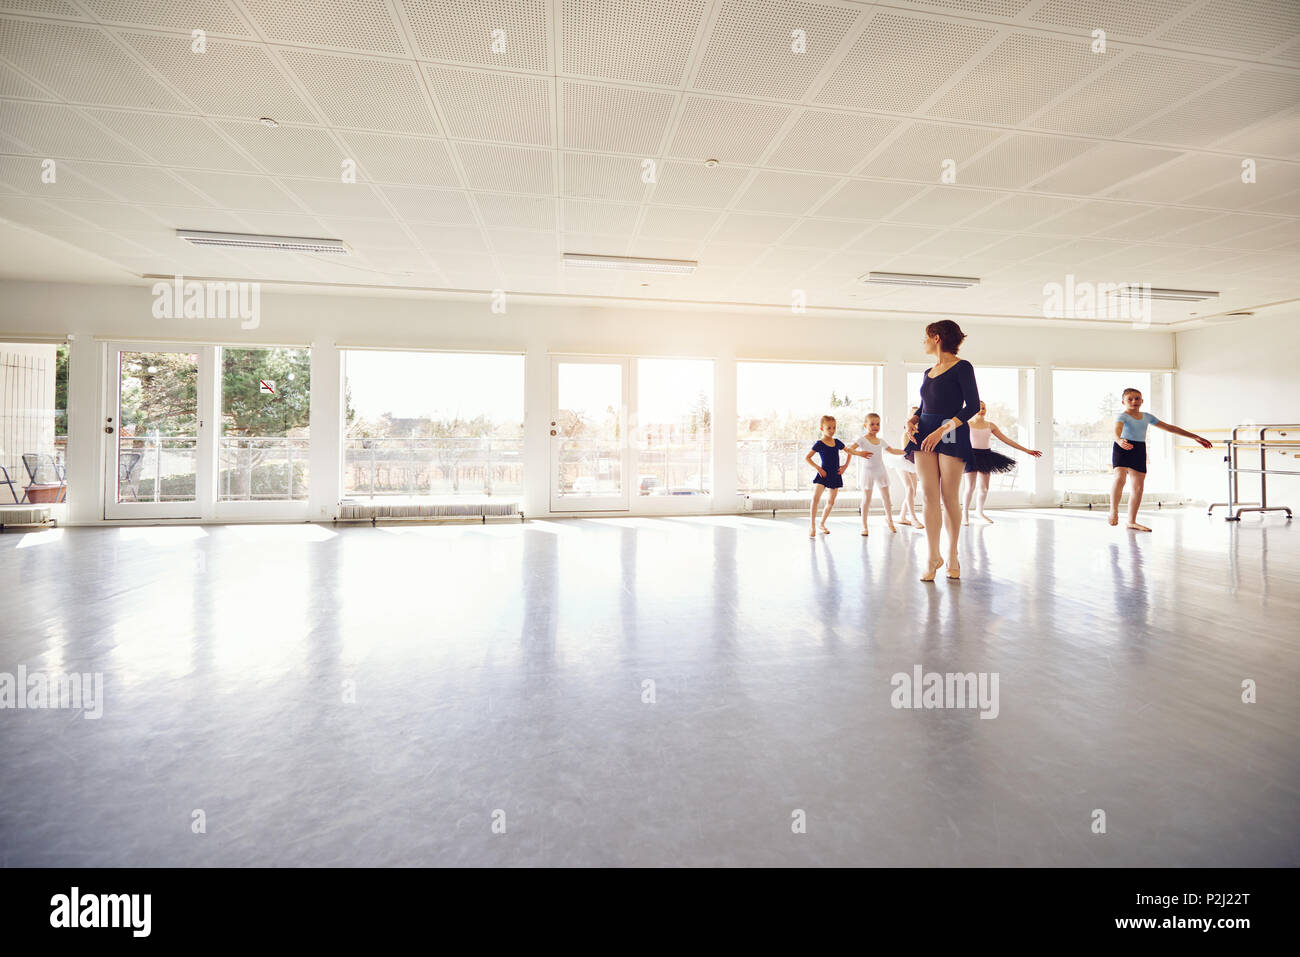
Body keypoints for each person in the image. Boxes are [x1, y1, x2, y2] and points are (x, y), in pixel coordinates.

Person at [903, 320, 979, 581]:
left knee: (949, 498)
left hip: (951, 431)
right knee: (928, 496)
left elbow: (971, 407)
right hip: (925, 430)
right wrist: (912, 419)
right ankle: (932, 557)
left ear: (936, 338)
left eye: (925, 337)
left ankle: (952, 554)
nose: (922, 342)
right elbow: (924, 405)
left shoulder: (962, 367)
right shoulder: (928, 371)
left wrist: (943, 429)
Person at [1110, 388, 1211, 531]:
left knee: (1138, 487)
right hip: (1122, 446)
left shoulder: (1146, 416)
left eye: (1137, 398)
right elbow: (1116, 430)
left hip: (1139, 449)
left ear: (1142, 400)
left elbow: (1169, 428)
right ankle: (1113, 511)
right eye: (1130, 399)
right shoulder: (1123, 416)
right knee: (1120, 478)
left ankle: (1131, 521)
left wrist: (1195, 436)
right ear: (1123, 402)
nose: (1134, 401)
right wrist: (1119, 440)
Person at [963, 401, 1042, 525]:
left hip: (986, 456)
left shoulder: (991, 425)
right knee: (970, 487)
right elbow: (955, 439)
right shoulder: (967, 425)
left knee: (984, 488)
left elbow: (1007, 440)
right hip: (971, 456)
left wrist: (1027, 450)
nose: (981, 410)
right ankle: (965, 515)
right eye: (978, 408)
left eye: (983, 408)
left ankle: (979, 512)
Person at [844, 412, 904, 536]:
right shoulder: (862, 440)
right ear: (865, 425)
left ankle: (890, 520)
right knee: (867, 499)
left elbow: (892, 450)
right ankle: (864, 526)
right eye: (872, 424)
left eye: (877, 424)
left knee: (886, 497)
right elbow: (849, 450)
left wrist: (905, 451)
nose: (875, 426)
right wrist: (860, 454)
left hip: (880, 470)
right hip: (868, 472)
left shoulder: (881, 441)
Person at [805, 415, 847, 537]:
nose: (832, 430)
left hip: (835, 475)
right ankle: (812, 526)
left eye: (834, 427)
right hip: (823, 474)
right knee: (815, 499)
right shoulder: (819, 444)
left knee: (831, 502)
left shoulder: (837, 442)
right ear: (822, 429)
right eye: (829, 428)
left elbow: (849, 452)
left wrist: (844, 466)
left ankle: (822, 524)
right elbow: (807, 458)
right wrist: (818, 468)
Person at [893, 410, 924, 529]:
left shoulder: (921, 433)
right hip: (903, 461)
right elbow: (906, 451)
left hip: (912, 463)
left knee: (913, 491)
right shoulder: (906, 434)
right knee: (910, 489)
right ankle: (913, 518)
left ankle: (902, 516)